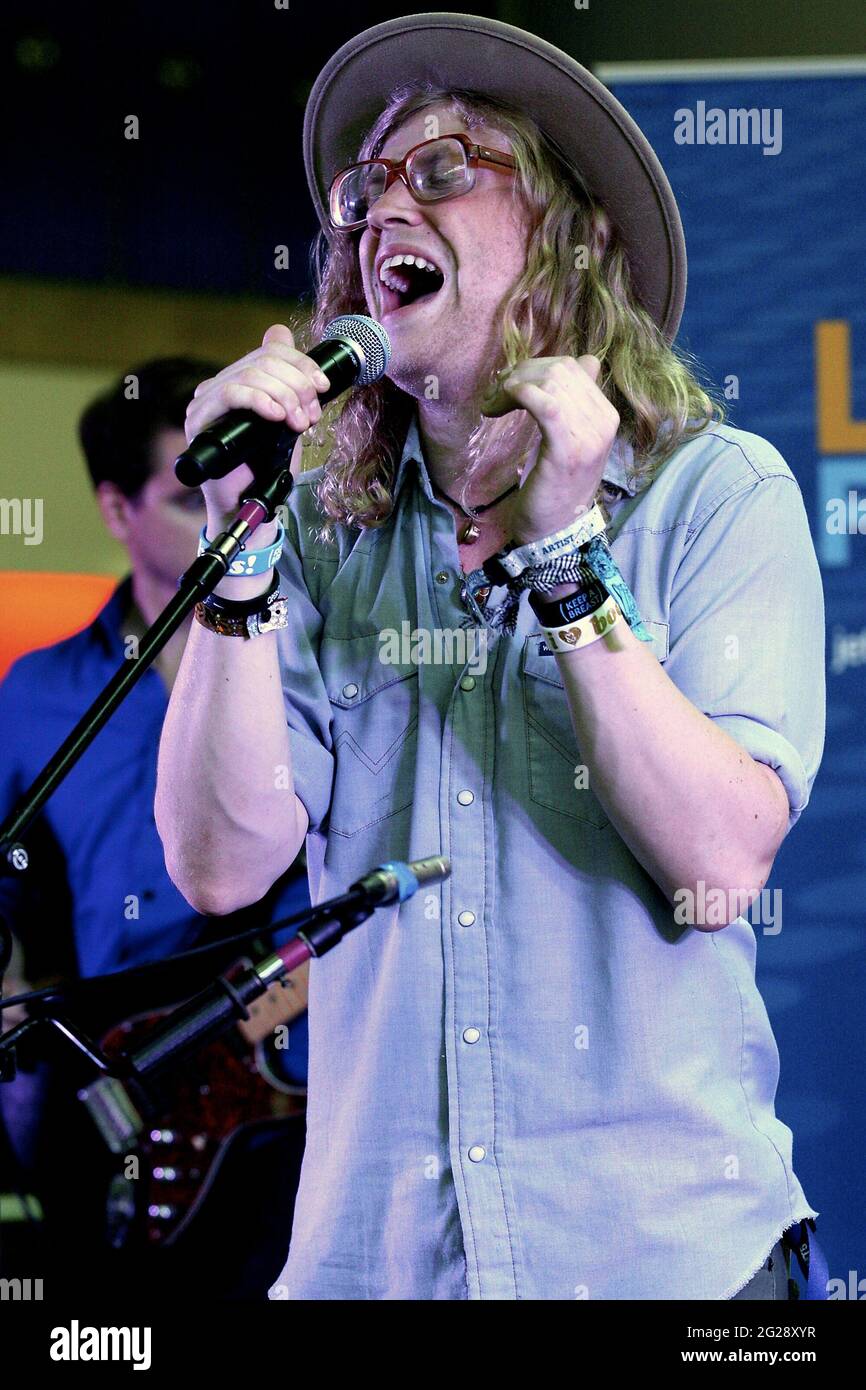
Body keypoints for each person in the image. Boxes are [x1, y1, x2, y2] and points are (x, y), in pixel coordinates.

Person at [155, 14, 826, 1301]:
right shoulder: (316, 534)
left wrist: (567, 553)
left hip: (665, 1268)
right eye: (364, 191)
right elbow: (217, 861)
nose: (378, 211)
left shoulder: (714, 491)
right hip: (377, 1270)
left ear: (563, 234)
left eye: (443, 168)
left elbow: (723, 859)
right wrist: (234, 547)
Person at [0, 357, 308, 1297]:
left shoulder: (315, 654)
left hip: (302, 1091)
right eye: (192, 496)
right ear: (116, 510)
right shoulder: (36, 692)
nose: (230, 508)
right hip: (118, 1089)